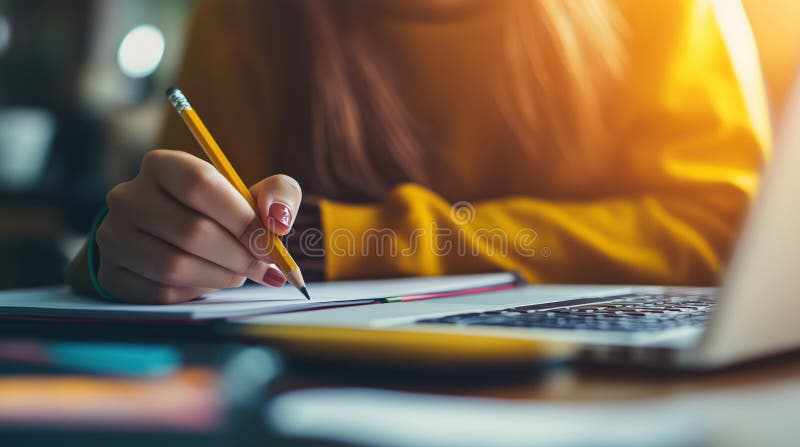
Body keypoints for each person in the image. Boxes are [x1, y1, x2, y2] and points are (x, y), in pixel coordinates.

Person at [68, 0, 770, 303]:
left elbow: (732, 230)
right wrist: (121, 256)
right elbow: (163, 238)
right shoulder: (250, 18)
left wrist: (342, 240)